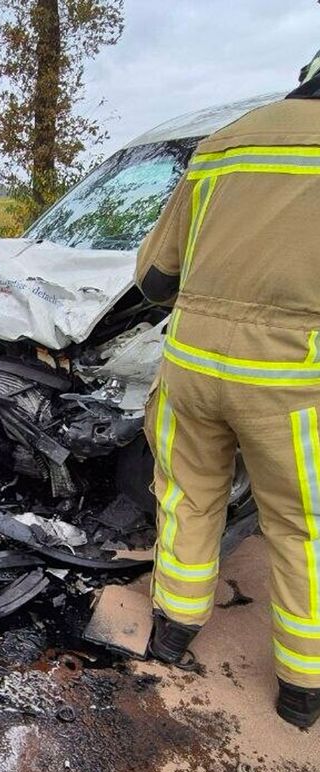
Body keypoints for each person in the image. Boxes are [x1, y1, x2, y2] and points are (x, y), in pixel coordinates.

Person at [135, 57, 320, 729]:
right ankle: (302, 690)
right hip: (293, 383)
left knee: (187, 500)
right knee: (302, 529)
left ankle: (172, 632)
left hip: (191, 368)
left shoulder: (222, 144)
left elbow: (155, 277)